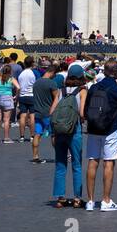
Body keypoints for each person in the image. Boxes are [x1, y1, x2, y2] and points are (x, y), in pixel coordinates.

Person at [81, 61, 117, 211]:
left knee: (93, 161)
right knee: (109, 163)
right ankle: (106, 200)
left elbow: (86, 109)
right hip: (111, 128)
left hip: (93, 128)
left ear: (104, 71)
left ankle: (90, 201)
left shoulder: (94, 87)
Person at [48, 66, 86, 208]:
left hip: (59, 131)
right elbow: (82, 113)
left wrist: (53, 131)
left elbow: (52, 111)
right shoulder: (82, 91)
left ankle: (60, 198)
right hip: (74, 130)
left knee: (60, 164)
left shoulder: (60, 90)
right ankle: (77, 198)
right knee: (76, 164)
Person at [30, 65, 60, 164]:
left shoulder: (36, 82)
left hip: (38, 113)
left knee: (37, 135)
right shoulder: (52, 83)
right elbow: (57, 98)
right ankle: (59, 156)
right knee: (53, 135)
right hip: (48, 113)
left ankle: (35, 156)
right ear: (52, 72)